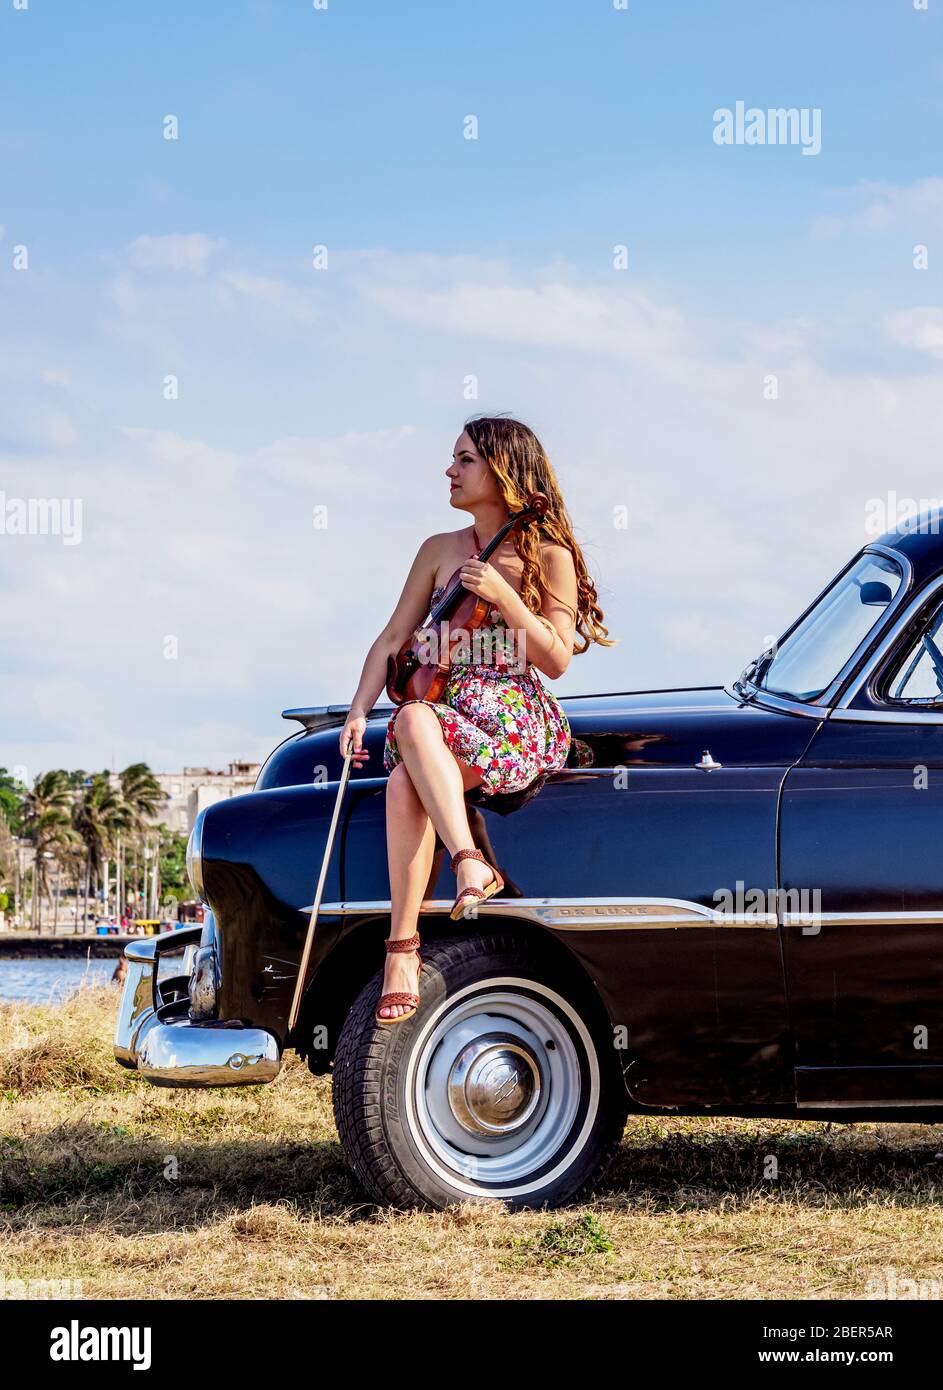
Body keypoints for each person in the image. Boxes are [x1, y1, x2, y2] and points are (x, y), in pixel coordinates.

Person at [340, 414, 614, 1023]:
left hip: (511, 714)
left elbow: (558, 659)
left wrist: (505, 594)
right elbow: (393, 637)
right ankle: (464, 866)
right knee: (409, 743)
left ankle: (403, 949)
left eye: (464, 459)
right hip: (442, 709)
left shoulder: (551, 554)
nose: (450, 470)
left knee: (409, 745)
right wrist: (359, 709)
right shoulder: (437, 550)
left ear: (503, 471)